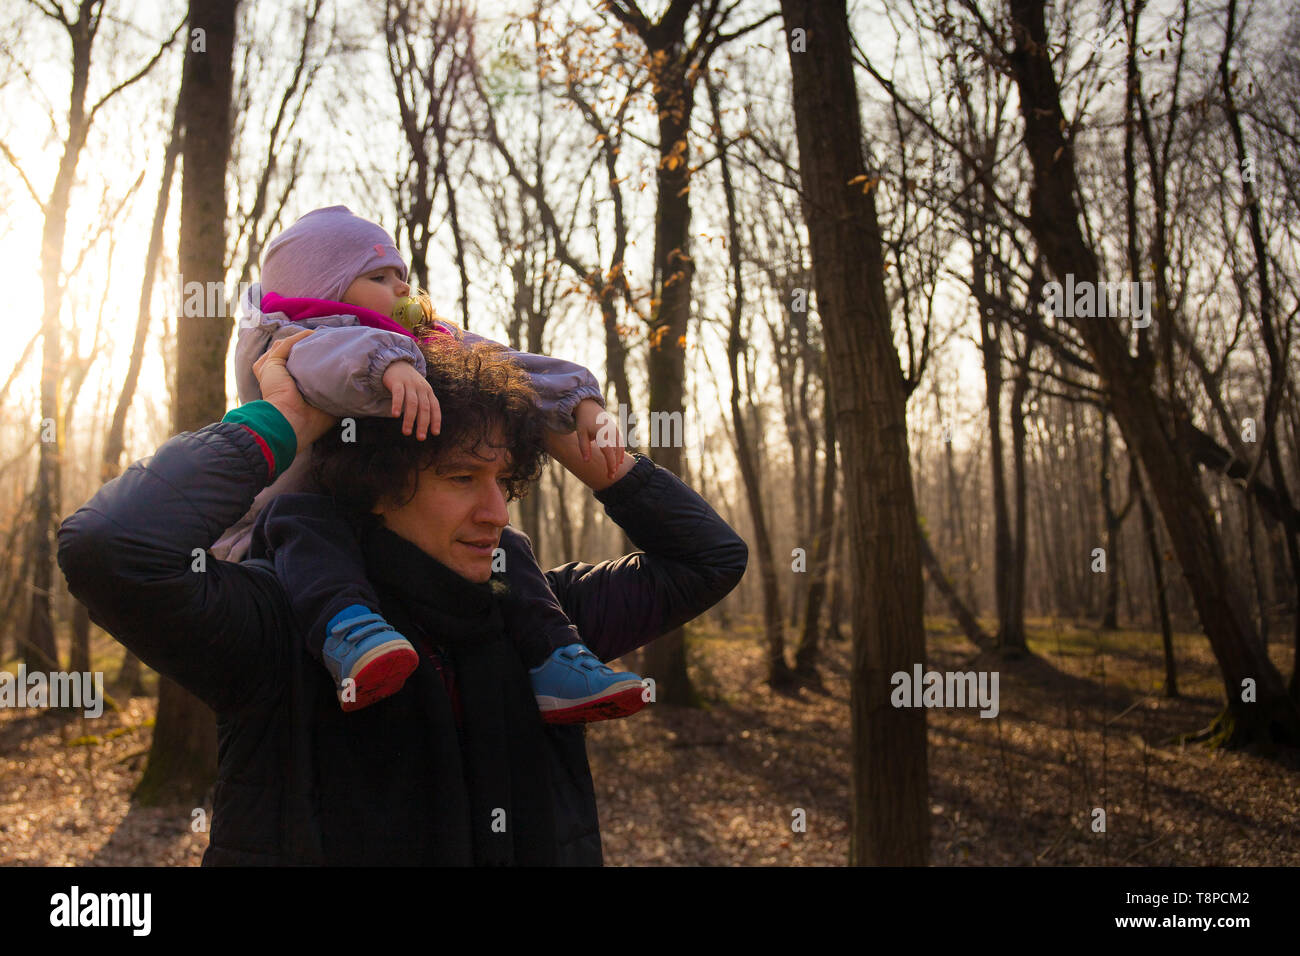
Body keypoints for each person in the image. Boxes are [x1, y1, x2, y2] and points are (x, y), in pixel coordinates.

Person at [57, 332, 748, 865]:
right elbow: (111, 547)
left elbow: (709, 558)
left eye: (503, 480)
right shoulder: (284, 625)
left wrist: (605, 461)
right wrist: (283, 423)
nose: (495, 512)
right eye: (459, 476)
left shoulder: (544, 625)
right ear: (375, 483)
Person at [214, 205, 643, 722]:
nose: (399, 288)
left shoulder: (420, 336)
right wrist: (386, 363)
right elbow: (322, 365)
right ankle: (348, 633)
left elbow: (505, 361)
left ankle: (556, 655)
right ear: (321, 290)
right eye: (378, 276)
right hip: (274, 534)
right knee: (309, 524)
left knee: (508, 547)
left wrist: (580, 400)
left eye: (402, 276)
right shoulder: (284, 338)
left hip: (369, 522)